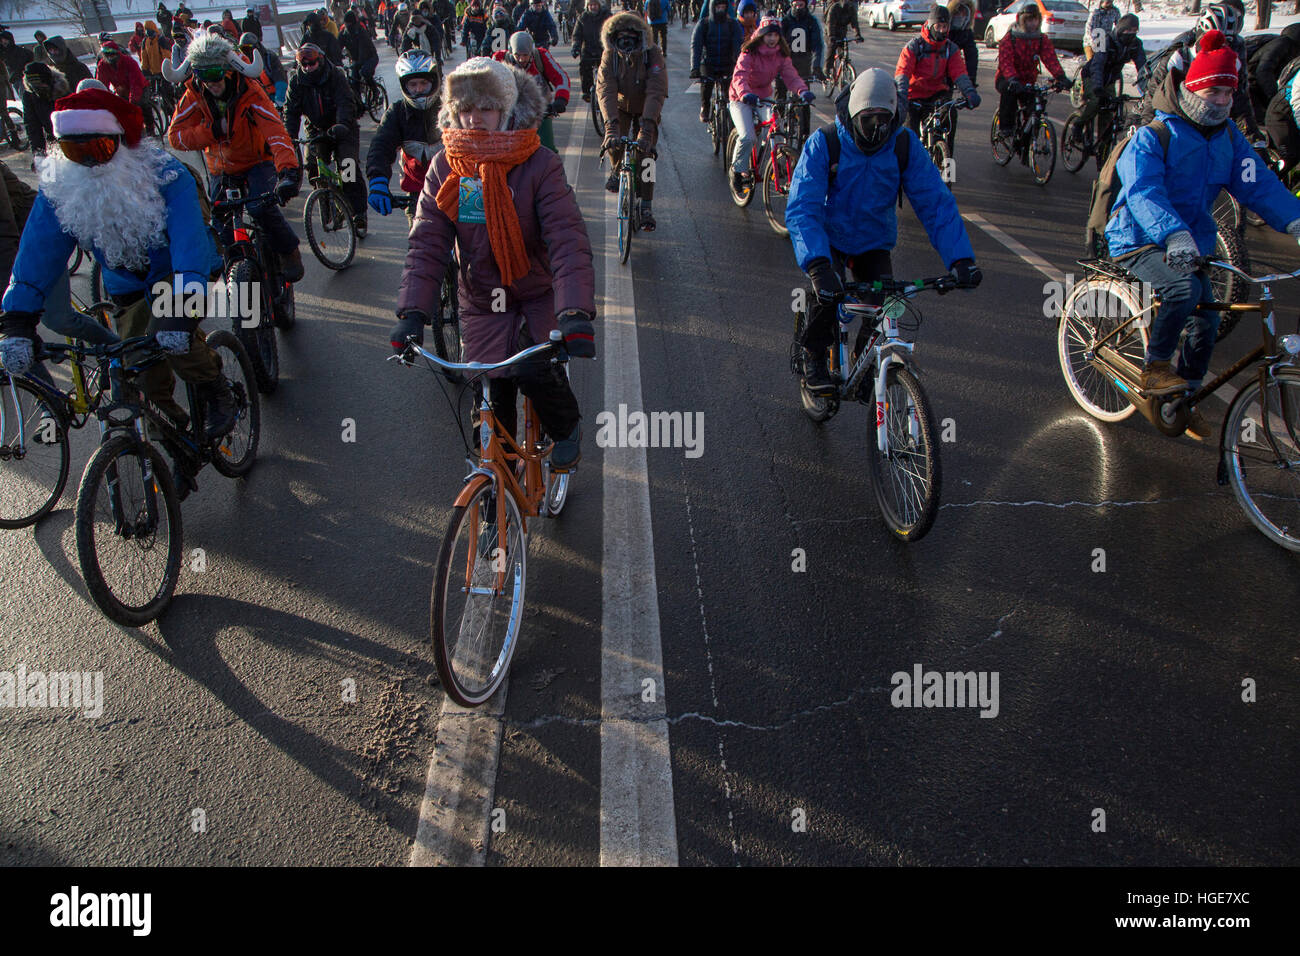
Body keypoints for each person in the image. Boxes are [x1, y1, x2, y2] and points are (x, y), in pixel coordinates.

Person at [0, 89, 242, 482]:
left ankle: (217, 388)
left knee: (173, 339)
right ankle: (176, 439)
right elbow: (38, 251)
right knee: (141, 374)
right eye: (76, 152)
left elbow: (189, 240)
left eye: (99, 147)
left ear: (121, 141)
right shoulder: (62, 185)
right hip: (124, 280)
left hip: (177, 270)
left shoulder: (167, 175)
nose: (91, 161)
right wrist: (17, 318)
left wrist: (185, 304)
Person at [392, 57, 595, 469]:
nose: (474, 119)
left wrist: (574, 311)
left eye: (485, 108)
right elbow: (427, 245)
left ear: (506, 110)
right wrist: (412, 313)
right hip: (484, 300)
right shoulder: (446, 168)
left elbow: (567, 240)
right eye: (465, 109)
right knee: (488, 413)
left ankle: (566, 426)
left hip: (537, 295)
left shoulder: (539, 164)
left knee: (536, 374)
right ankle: (492, 504)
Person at [1107, 30, 1300, 440]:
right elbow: (1143, 191)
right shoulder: (1154, 135)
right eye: (1214, 92)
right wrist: (1173, 234)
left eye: (1229, 94)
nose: (1222, 102)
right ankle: (1157, 365)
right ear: (1194, 87)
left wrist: (1294, 220)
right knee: (1182, 292)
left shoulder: (1228, 138)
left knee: (1208, 322)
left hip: (1192, 241)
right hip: (1140, 237)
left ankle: (1185, 400)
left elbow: (1258, 184)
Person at [785, 68, 981, 394]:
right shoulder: (826, 142)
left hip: (873, 242)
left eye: (884, 120)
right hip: (830, 240)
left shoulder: (903, 145)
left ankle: (867, 361)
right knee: (825, 298)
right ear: (853, 115)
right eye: (869, 120)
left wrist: (960, 259)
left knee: (884, 306)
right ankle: (813, 356)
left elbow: (936, 204)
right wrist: (818, 265)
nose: (877, 131)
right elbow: (802, 207)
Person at [165, 33, 305, 281]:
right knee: (221, 225)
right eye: (203, 76)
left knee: (260, 208)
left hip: (256, 162)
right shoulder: (193, 95)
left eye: (216, 74)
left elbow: (275, 131)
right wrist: (210, 132)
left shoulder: (249, 90)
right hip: (221, 169)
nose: (211, 83)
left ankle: (288, 251)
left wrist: (288, 171)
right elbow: (175, 136)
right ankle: (236, 275)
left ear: (228, 70)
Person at [1138, 3, 1259, 142]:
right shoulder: (1179, 58)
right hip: (1176, 121)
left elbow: (1241, 101)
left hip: (1212, 126)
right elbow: (1153, 96)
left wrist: (1253, 138)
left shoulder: (1233, 61)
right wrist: (1146, 132)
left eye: (1226, 43)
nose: (1219, 49)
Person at [283, 43, 368, 236]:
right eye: (303, 64)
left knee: (348, 167)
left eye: (311, 63)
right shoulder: (296, 81)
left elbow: (345, 102)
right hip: (315, 127)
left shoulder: (335, 75)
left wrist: (342, 124)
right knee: (311, 166)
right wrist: (289, 137)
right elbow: (291, 111)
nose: (307, 67)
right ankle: (326, 201)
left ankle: (358, 212)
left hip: (342, 126)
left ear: (320, 60)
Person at [597, 11, 667, 228]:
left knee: (646, 155)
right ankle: (617, 170)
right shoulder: (610, 56)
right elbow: (605, 89)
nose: (626, 39)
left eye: (632, 34)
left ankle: (646, 205)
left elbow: (656, 90)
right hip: (621, 106)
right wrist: (611, 126)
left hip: (647, 107)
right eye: (621, 35)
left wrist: (647, 128)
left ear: (641, 35)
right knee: (614, 141)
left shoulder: (653, 53)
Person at [728, 16, 813, 193]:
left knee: (777, 131)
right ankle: (737, 171)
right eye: (769, 35)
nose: (772, 38)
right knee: (748, 136)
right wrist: (744, 94)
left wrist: (802, 91)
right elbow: (740, 75)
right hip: (740, 97)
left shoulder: (781, 55)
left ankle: (777, 166)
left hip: (764, 96)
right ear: (761, 35)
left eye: (775, 35)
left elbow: (791, 76)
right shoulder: (749, 52)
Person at [367, 49, 442, 224]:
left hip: (457, 189)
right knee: (419, 247)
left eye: (424, 83)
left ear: (434, 81)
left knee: (473, 247)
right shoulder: (397, 112)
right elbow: (381, 146)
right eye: (413, 85)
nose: (419, 90)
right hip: (418, 191)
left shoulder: (451, 106)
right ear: (404, 86)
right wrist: (378, 181)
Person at [895, 4, 979, 153]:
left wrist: (969, 91)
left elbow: (959, 73)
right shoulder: (914, 47)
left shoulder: (950, 49)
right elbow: (903, 72)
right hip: (914, 95)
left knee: (950, 115)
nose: (941, 30)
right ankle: (907, 171)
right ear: (930, 25)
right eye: (938, 26)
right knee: (909, 138)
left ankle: (947, 164)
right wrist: (901, 95)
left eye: (945, 26)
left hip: (938, 95)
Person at [994, 1, 1068, 149]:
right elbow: (1006, 62)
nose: (1032, 23)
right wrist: (1013, 79)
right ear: (1021, 20)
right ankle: (1006, 128)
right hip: (1007, 78)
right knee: (1009, 95)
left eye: (1035, 20)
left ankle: (1026, 143)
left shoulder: (1041, 39)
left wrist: (1061, 77)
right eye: (1028, 20)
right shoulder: (1010, 38)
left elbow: (1050, 58)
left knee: (1034, 107)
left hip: (1028, 80)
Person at [1071, 13, 1143, 147]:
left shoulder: (1135, 44)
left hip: (1109, 80)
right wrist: (1097, 87)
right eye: (1128, 30)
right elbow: (1097, 65)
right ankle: (1078, 124)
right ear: (1121, 29)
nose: (1131, 34)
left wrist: (1148, 91)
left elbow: (1143, 68)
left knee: (1109, 111)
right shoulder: (1106, 41)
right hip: (1091, 76)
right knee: (1097, 101)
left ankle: (1103, 152)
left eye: (1135, 31)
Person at [493, 31, 570, 150]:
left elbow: (561, 78)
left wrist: (561, 99)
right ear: (510, 51)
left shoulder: (541, 56)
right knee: (505, 152)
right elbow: (489, 84)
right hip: (511, 115)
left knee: (548, 150)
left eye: (525, 55)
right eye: (517, 55)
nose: (521, 59)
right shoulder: (499, 59)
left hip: (541, 113)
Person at [690, 0, 743, 122]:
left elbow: (738, 46)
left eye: (723, 7)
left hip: (727, 63)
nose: (720, 10)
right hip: (708, 63)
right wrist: (695, 68)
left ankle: (731, 114)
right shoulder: (704, 24)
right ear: (712, 7)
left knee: (729, 94)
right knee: (706, 85)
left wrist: (740, 66)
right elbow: (696, 46)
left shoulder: (732, 24)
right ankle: (705, 107)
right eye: (718, 7)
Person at [1249, 23, 1300, 121]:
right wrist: (1273, 96)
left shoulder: (1290, 46)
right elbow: (1263, 70)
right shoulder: (1283, 44)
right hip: (1252, 87)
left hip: (1258, 87)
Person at [19, 62, 69, 157]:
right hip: (53, 140)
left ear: (48, 80)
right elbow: (32, 125)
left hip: (71, 138)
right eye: (32, 85)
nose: (36, 89)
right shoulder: (29, 96)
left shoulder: (63, 91)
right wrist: (38, 153)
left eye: (39, 84)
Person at [571, 0, 612, 101]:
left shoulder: (606, 16)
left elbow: (613, 31)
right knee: (584, 68)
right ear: (587, 6)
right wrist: (576, 47)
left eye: (595, 5)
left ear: (599, 5)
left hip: (603, 50)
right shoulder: (582, 18)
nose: (593, 7)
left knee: (609, 70)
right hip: (588, 50)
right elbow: (577, 36)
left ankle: (610, 91)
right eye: (591, 5)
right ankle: (586, 92)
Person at [240, 32, 286, 106]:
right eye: (243, 49)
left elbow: (280, 80)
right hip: (256, 100)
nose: (246, 52)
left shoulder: (269, 58)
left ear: (256, 47)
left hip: (273, 97)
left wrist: (279, 102)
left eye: (248, 48)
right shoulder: (242, 62)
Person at [342, 7, 381, 93]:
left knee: (365, 72)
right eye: (346, 23)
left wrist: (358, 62)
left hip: (370, 57)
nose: (347, 26)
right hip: (356, 60)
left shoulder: (360, 32)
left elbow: (363, 49)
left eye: (349, 23)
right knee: (353, 82)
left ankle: (375, 91)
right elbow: (337, 47)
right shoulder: (344, 34)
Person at [947, 0, 978, 84]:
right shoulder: (942, 30)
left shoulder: (966, 33)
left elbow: (971, 55)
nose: (961, 17)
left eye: (964, 14)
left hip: (954, 69)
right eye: (957, 13)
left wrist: (971, 78)